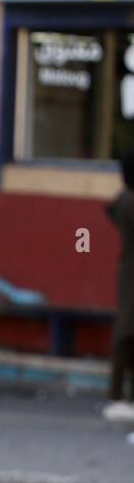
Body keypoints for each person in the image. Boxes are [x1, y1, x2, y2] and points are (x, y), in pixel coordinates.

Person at [103, 155, 134, 421]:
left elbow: (109, 208)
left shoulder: (122, 202)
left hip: (126, 270)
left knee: (124, 333)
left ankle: (115, 394)